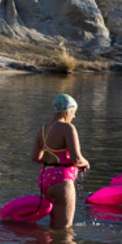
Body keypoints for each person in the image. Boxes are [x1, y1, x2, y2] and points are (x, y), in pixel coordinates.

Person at [31, 93, 90, 230]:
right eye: (74, 112)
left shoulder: (43, 129)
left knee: (54, 226)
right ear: (67, 111)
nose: (74, 116)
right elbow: (77, 159)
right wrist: (85, 163)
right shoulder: (68, 128)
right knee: (65, 229)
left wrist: (53, 160)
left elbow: (35, 158)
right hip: (61, 181)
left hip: (45, 179)